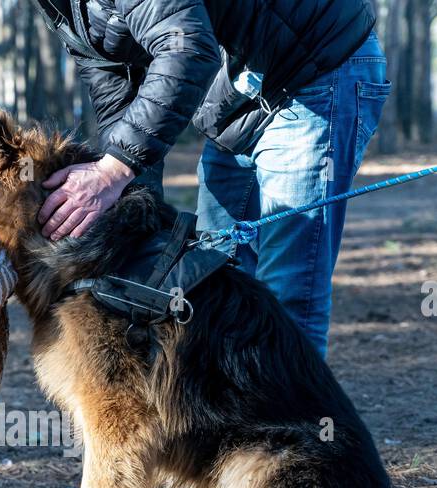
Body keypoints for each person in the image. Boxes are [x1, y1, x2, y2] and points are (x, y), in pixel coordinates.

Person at [29, 0, 388, 357]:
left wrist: (113, 170)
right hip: (240, 88)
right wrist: (134, 211)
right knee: (213, 275)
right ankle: (237, 409)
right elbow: (117, 89)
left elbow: (186, 50)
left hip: (317, 68)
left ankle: (296, 414)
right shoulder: (60, 7)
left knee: (288, 291)